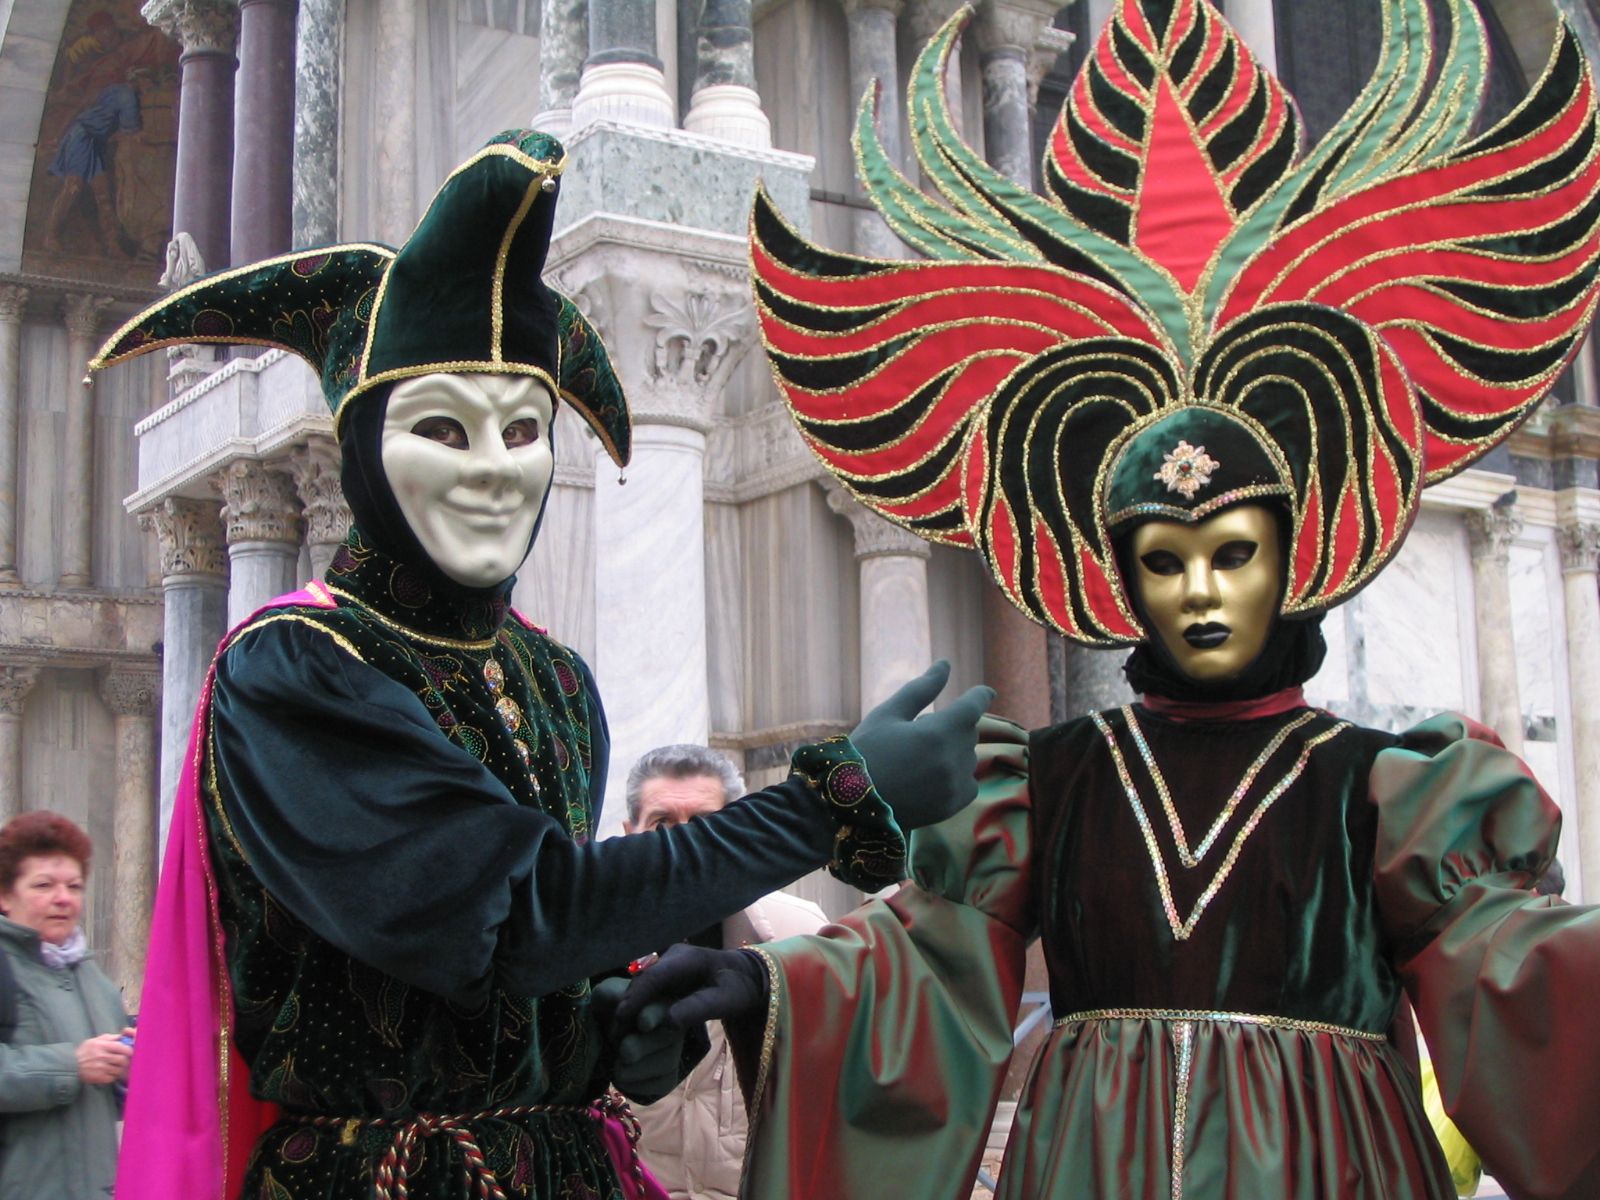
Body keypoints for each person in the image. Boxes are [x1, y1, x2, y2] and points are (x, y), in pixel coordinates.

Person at [620, 3, 1600, 1198]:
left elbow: (1529, 990)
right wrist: (771, 986)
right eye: (1164, 558)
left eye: (1231, 552)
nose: (1197, 589)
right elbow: (929, 972)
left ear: (1295, 552)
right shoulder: (1047, 781)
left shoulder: (1393, 792)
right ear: (1113, 570)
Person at [87, 128, 992, 1200]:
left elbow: (552, 956)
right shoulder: (295, 671)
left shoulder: (552, 677)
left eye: (524, 430)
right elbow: (510, 919)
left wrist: (619, 1031)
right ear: (363, 446)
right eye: (441, 428)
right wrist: (822, 800)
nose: (494, 474)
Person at [619, 746, 828, 1200]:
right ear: (628, 834)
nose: (683, 846)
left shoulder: (804, 934)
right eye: (661, 825)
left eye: (705, 826)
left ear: (739, 833)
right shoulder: (586, 954)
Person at [0, 811, 132, 1200]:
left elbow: (108, 1105)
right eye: (43, 885)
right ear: (5, 894)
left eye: (74, 886)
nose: (62, 898)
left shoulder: (99, 985)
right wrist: (71, 1065)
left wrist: (130, 1071)